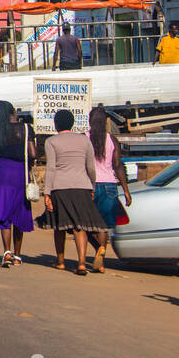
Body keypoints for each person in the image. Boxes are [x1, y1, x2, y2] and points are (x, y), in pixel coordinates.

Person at [38, 108, 107, 274]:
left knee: (59, 226)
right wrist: (92, 185)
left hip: (60, 188)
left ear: (56, 124)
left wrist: (47, 193)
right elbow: (90, 167)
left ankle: (60, 261)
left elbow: (51, 168)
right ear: (72, 123)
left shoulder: (51, 141)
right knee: (79, 226)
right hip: (82, 186)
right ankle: (82, 263)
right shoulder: (84, 140)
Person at [0, 100, 35, 266]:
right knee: (19, 213)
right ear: (13, 111)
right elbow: (33, 153)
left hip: (3, 172)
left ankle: (6, 252)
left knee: (5, 212)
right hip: (21, 174)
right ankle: (18, 256)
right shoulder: (26, 128)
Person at [87, 106, 131, 273]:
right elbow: (118, 165)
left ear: (89, 121)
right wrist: (126, 190)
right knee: (103, 226)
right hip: (110, 186)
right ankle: (102, 260)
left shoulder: (85, 138)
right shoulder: (112, 139)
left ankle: (98, 248)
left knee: (85, 224)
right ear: (106, 121)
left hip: (89, 186)